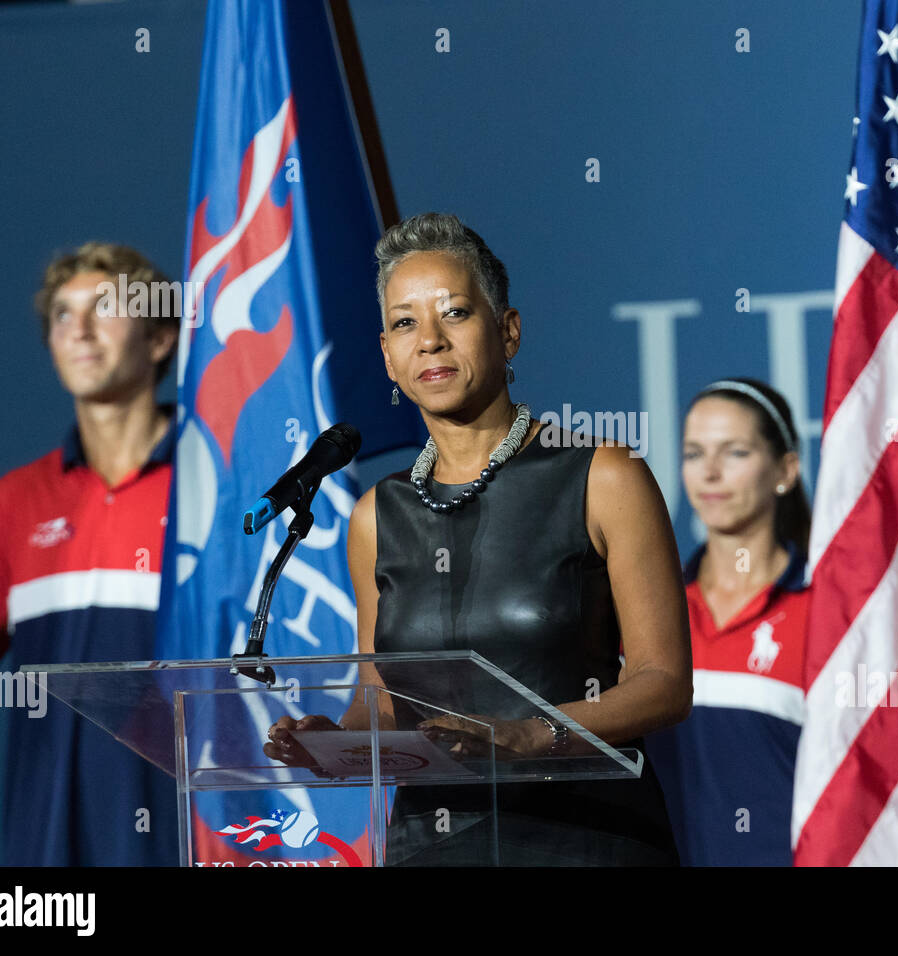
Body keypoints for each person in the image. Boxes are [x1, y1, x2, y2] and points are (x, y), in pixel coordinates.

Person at [266, 212, 691, 865]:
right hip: (432, 844)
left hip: (583, 837)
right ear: (387, 355)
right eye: (405, 323)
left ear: (508, 331)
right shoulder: (378, 514)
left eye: (454, 314)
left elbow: (664, 682)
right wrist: (333, 742)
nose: (430, 341)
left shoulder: (603, 477)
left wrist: (533, 733)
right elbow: (383, 705)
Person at [0, 242, 181, 865]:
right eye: (61, 314)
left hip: (191, 837)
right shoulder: (12, 502)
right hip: (47, 851)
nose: (79, 329)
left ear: (159, 339)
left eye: (105, 307)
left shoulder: (225, 488)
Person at [644, 378, 812, 865]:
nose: (710, 473)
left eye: (735, 452)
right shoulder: (649, 612)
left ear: (786, 470)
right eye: (694, 454)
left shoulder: (829, 612)